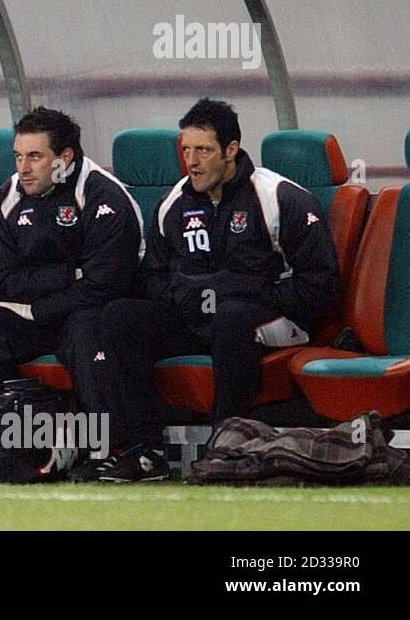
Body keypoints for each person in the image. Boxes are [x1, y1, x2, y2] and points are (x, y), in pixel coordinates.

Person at [78, 98, 339, 482]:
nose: (192, 161)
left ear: (231, 150)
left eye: (203, 150)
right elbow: (153, 277)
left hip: (279, 322)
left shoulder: (279, 198)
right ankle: (144, 450)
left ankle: (226, 447)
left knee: (233, 318)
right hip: (197, 319)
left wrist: (247, 295)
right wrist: (185, 297)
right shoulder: (174, 204)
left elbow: (321, 286)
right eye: (186, 150)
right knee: (120, 316)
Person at [0, 107, 143, 421]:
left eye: (35, 156)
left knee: (90, 330)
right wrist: (66, 274)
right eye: (18, 156)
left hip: (86, 311)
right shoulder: (9, 196)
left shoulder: (103, 196)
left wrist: (37, 308)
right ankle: (7, 440)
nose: (23, 168)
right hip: (32, 312)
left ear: (64, 158)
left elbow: (104, 286)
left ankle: (107, 446)